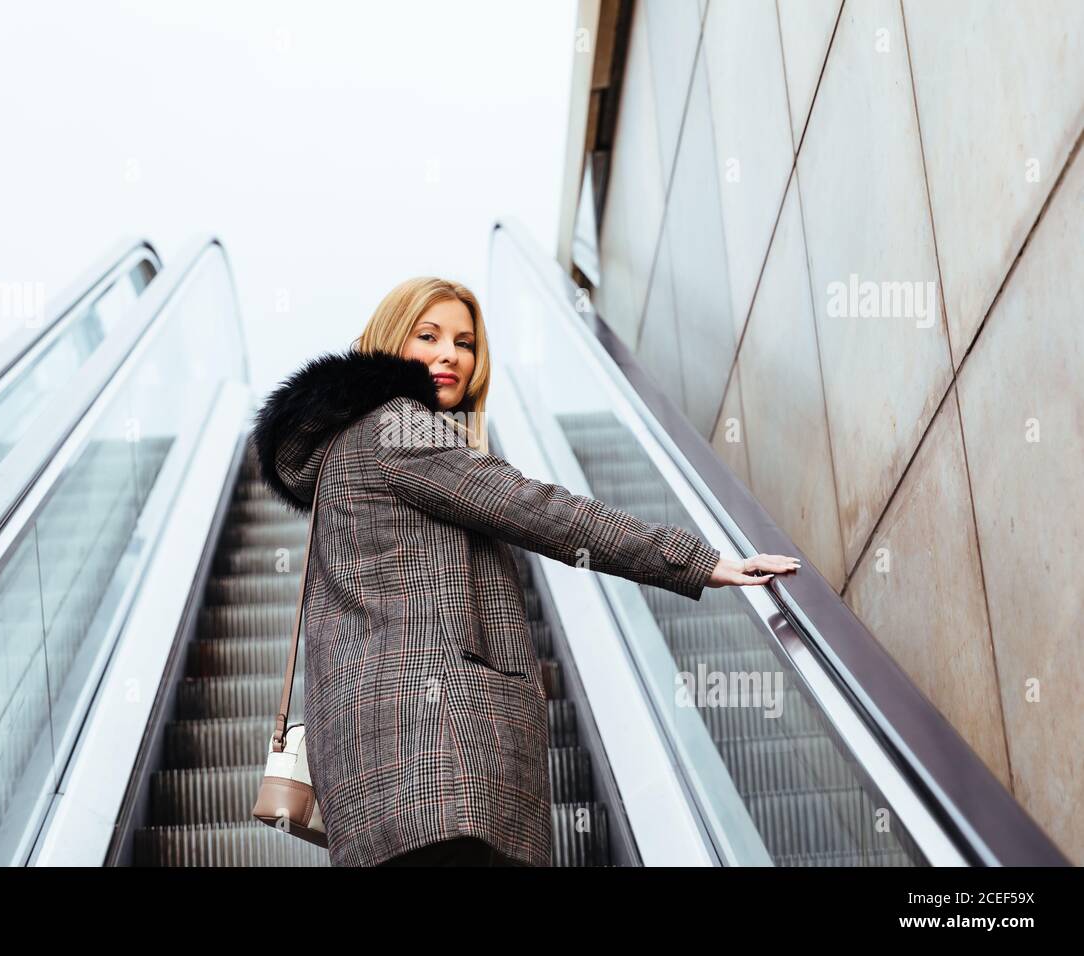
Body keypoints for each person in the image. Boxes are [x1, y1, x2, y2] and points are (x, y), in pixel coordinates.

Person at [250, 277, 799, 867]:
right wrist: (701, 560)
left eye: (464, 342)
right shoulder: (396, 426)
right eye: (428, 335)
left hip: (379, 767)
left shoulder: (347, 447)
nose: (449, 355)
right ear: (388, 340)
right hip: (437, 754)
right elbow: (535, 510)